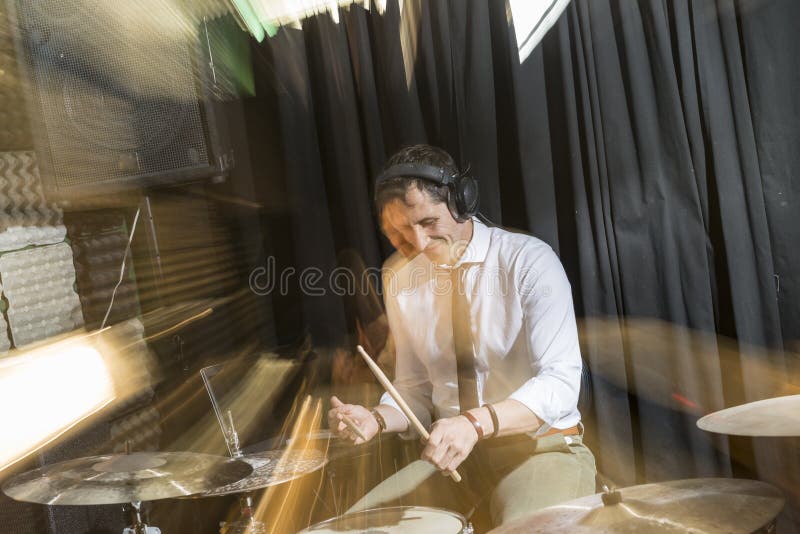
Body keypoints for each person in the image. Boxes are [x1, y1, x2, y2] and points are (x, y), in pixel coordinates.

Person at [328, 145, 596, 528]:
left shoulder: (528, 261)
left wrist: (473, 423)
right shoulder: (399, 276)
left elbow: (561, 383)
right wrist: (375, 419)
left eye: (428, 222)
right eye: (400, 232)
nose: (417, 244)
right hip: (451, 458)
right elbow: (414, 388)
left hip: (540, 449)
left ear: (461, 201)